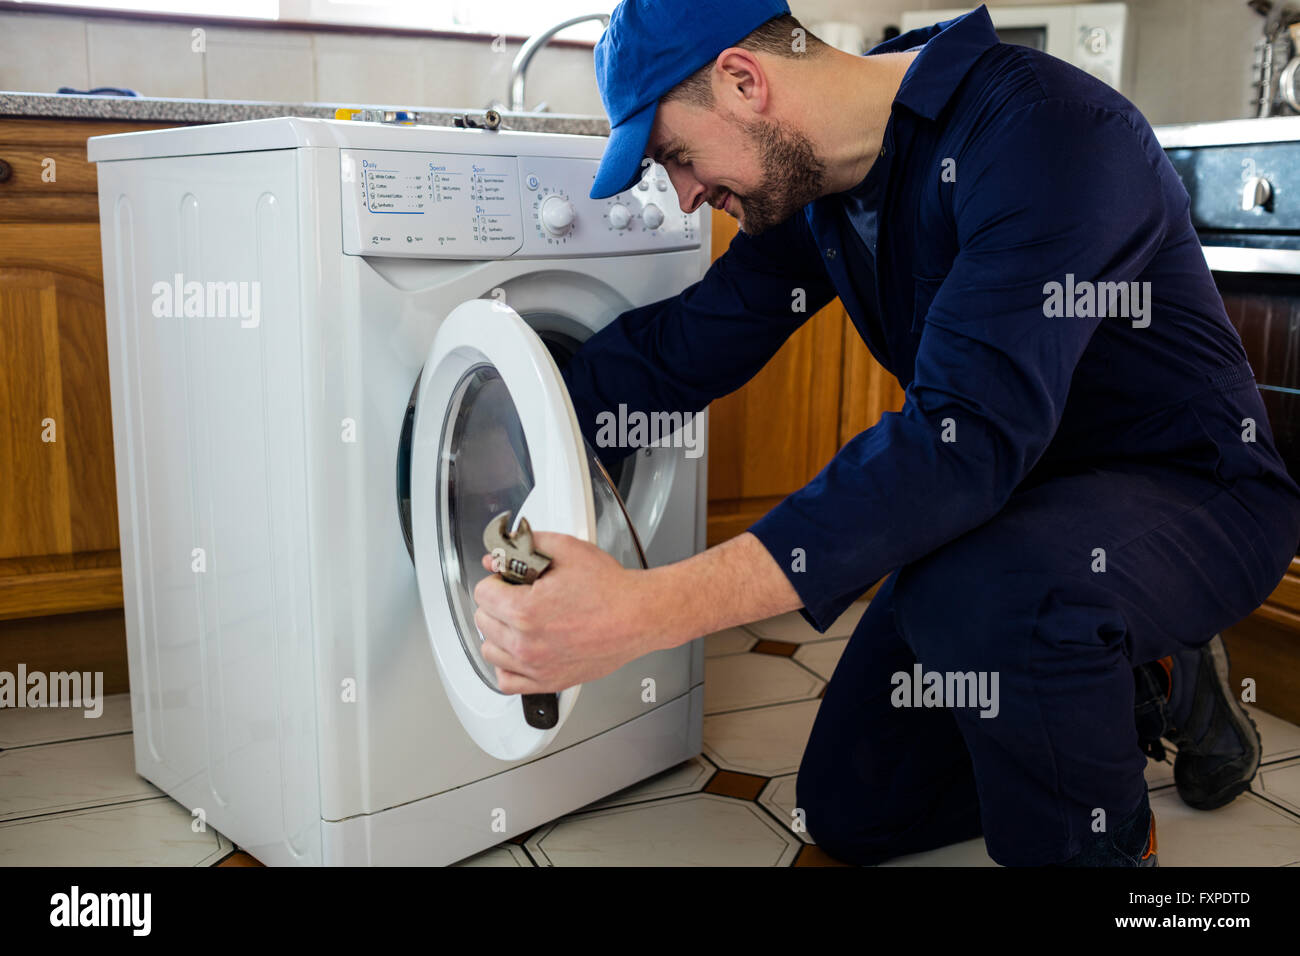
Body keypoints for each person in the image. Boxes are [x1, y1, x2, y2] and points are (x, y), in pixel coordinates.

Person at [471, 0, 1300, 866]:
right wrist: (508, 438)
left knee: (987, 601)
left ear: (745, 80)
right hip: (1017, 510)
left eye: (675, 155)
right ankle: (1144, 677)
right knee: (855, 808)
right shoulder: (824, 181)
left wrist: (644, 611)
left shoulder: (1050, 135)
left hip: (1193, 492)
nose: (684, 195)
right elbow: (689, 345)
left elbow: (961, 440)